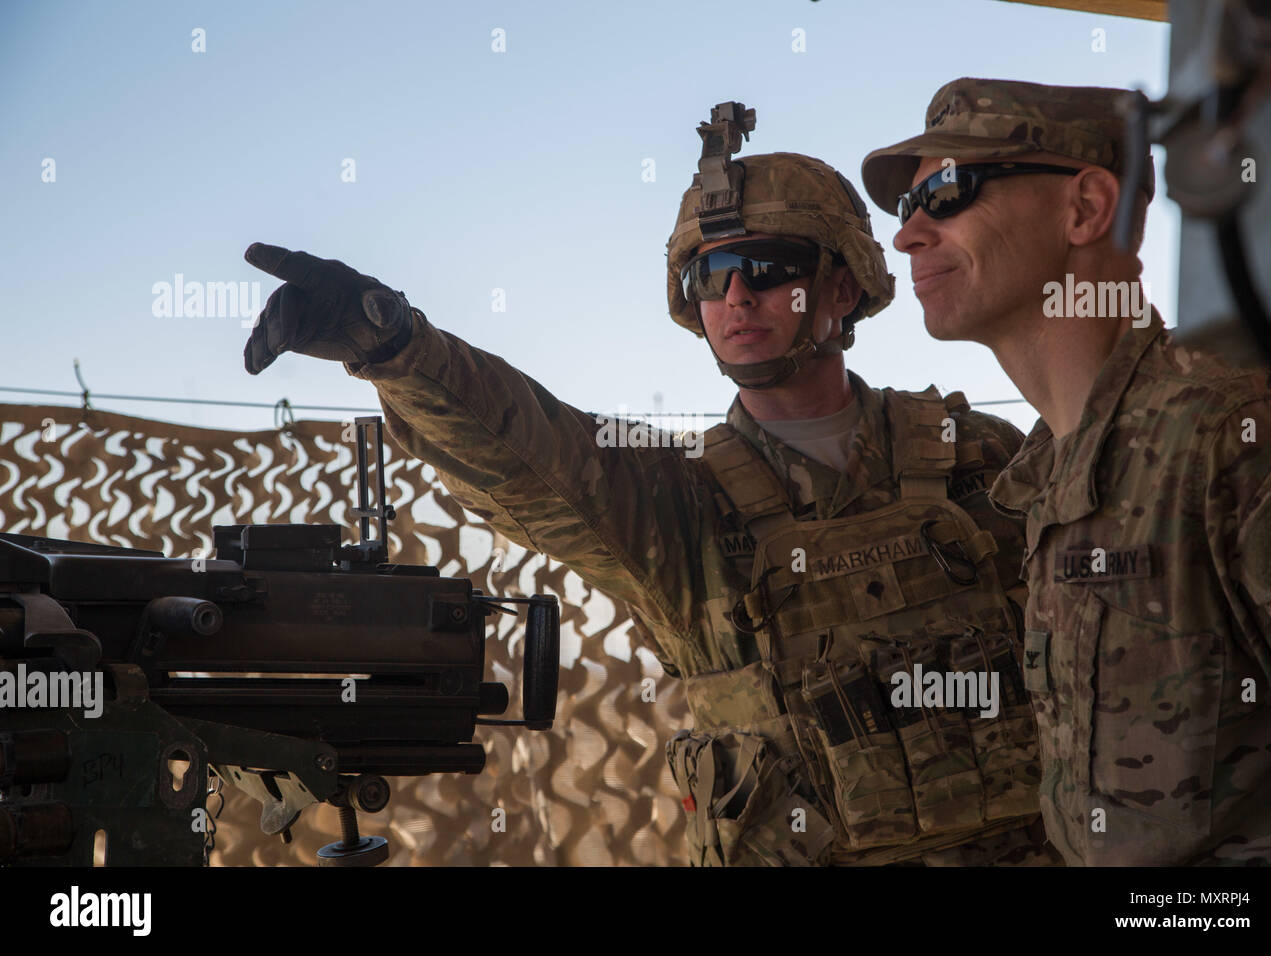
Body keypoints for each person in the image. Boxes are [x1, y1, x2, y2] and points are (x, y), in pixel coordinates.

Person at [242, 102, 1060, 866]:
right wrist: (392, 344)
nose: (737, 295)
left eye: (766, 267)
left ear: (840, 287)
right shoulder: (674, 503)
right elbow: (528, 453)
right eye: (710, 278)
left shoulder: (978, 456)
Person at [862, 76, 1271, 866]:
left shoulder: (1227, 435)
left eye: (948, 192)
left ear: (1086, 209)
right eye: (906, 208)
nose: (909, 236)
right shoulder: (1043, 480)